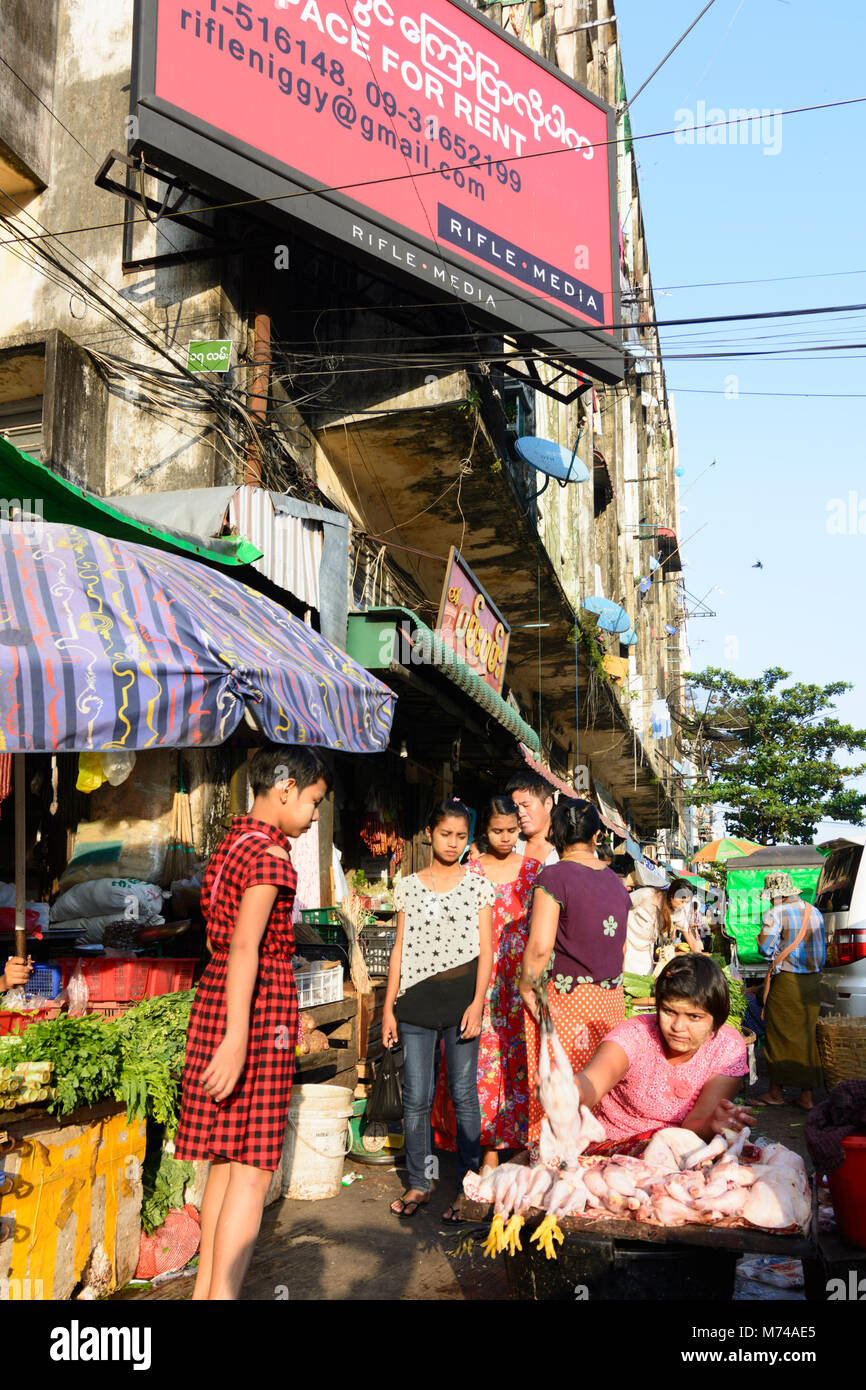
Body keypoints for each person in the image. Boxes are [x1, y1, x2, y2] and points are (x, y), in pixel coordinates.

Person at [174, 744, 331, 1300]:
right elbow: (247, 947)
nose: (315, 817)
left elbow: (232, 946)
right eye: (313, 802)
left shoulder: (233, 842)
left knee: (224, 1161)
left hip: (219, 1000)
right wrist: (239, 1040)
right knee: (253, 1169)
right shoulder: (269, 857)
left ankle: (206, 1295)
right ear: (286, 788)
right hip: (255, 1013)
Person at [382, 798, 494, 1221]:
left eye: (461, 836)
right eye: (446, 834)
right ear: (430, 833)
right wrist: (389, 1009)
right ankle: (418, 1183)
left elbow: (487, 951)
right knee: (416, 1098)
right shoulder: (408, 885)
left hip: (462, 1001)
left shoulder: (478, 884)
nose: (453, 843)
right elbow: (399, 951)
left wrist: (478, 1004)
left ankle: (471, 1186)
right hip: (415, 1002)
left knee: (464, 1095)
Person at [519, 798, 631, 1160]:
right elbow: (621, 948)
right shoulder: (616, 883)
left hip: (568, 1003)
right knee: (601, 1087)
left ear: (554, 833)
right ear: (597, 835)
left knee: (560, 1085)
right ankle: (597, 1161)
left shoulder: (553, 877)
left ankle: (555, 1165)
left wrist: (526, 985)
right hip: (610, 1003)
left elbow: (539, 945)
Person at [431, 796, 540, 1168]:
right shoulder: (470, 872)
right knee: (481, 1065)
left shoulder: (535, 871)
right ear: (485, 831)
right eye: (497, 831)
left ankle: (520, 1146)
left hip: (520, 983)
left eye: (512, 830)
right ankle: (487, 1149)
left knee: (520, 1067)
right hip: (480, 982)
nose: (506, 837)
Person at [573, 955, 753, 1148]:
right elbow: (594, 1081)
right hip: (616, 1150)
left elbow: (693, 1126)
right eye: (669, 1011)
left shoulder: (727, 1048)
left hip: (685, 1150)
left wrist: (711, 1124)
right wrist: (571, 1090)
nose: (678, 1026)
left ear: (716, 1019)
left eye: (694, 1016)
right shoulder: (634, 1035)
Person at [757, 871, 825, 1111]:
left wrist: (760, 938)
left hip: (788, 981)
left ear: (776, 895)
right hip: (813, 982)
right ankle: (807, 1096)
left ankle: (776, 1093)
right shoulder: (814, 911)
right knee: (806, 1035)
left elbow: (766, 950)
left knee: (778, 1033)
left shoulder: (775, 914)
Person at [505, 773, 559, 867]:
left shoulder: (571, 849)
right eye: (515, 807)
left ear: (548, 804)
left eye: (526, 805)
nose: (520, 812)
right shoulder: (508, 846)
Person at [653, 879, 704, 975]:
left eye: (686, 903)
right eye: (682, 901)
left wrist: (703, 961)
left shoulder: (679, 911)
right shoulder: (654, 900)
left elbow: (690, 937)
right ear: (672, 896)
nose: (684, 906)